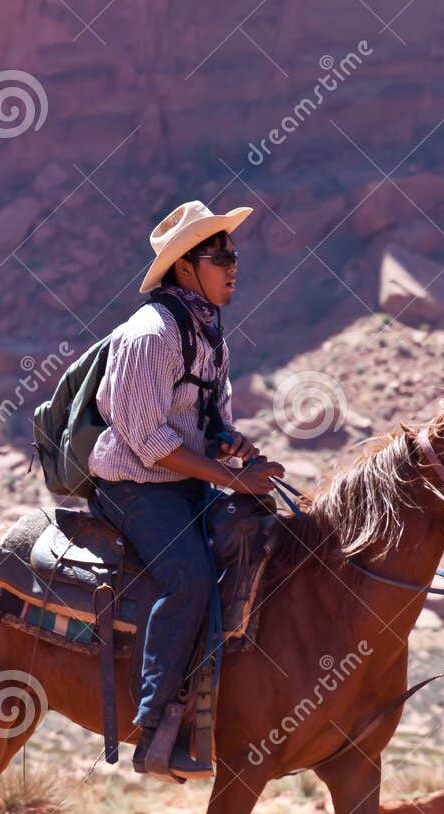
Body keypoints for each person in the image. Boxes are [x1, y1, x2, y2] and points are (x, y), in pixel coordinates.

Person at [87, 200, 286, 781]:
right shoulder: (151, 333)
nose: (233, 265)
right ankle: (155, 730)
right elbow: (148, 440)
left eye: (233, 254)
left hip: (184, 482)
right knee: (189, 576)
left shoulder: (209, 333)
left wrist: (230, 443)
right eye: (219, 256)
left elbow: (206, 417)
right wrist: (231, 478)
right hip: (134, 485)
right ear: (184, 268)